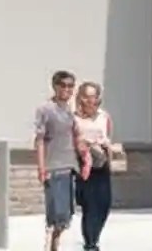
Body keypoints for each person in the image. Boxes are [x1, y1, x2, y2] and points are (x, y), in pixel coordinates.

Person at [35, 70, 91, 251]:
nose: (67, 89)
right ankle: (51, 245)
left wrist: (85, 158)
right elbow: (40, 139)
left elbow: (77, 135)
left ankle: (55, 244)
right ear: (55, 86)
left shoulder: (71, 110)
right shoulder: (46, 109)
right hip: (53, 167)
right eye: (63, 85)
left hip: (70, 167)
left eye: (70, 86)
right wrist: (41, 167)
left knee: (66, 214)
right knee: (56, 213)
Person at [74, 82, 114, 251]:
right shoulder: (74, 118)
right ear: (80, 98)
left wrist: (107, 147)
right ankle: (91, 244)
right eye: (86, 96)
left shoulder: (104, 116)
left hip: (102, 164)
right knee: (90, 206)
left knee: (104, 204)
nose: (90, 100)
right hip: (84, 165)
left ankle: (94, 238)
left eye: (93, 96)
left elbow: (109, 136)